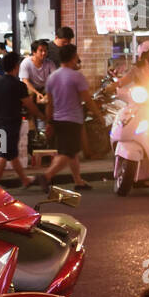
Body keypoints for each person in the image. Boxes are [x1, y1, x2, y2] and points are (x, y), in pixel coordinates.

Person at [41, 45, 102, 190]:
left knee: (72, 152)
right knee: (67, 153)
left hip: (58, 119)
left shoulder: (52, 77)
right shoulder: (77, 76)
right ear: (73, 57)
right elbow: (87, 99)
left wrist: (49, 122)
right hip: (72, 120)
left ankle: (78, 181)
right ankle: (46, 176)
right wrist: (99, 115)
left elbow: (49, 103)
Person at [0, 51, 43, 189]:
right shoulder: (19, 86)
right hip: (11, 124)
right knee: (4, 155)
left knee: (11, 154)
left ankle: (25, 180)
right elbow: (29, 105)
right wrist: (42, 116)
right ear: (16, 66)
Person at [18, 39, 53, 109]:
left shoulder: (50, 63)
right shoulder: (26, 63)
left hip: (44, 87)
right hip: (30, 87)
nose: (44, 53)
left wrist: (48, 93)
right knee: (30, 94)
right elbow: (25, 81)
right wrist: (36, 92)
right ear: (34, 52)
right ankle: (31, 118)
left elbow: (55, 79)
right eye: (41, 51)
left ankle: (48, 118)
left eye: (45, 51)